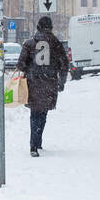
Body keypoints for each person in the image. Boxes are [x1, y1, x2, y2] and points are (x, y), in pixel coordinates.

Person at [16, 15, 69, 157]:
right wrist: (61, 81)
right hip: (49, 83)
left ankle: (33, 145)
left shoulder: (29, 43)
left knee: (34, 114)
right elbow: (65, 63)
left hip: (33, 83)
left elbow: (20, 64)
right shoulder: (56, 43)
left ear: (38, 26)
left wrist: (29, 67)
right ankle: (38, 141)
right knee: (43, 113)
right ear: (50, 27)